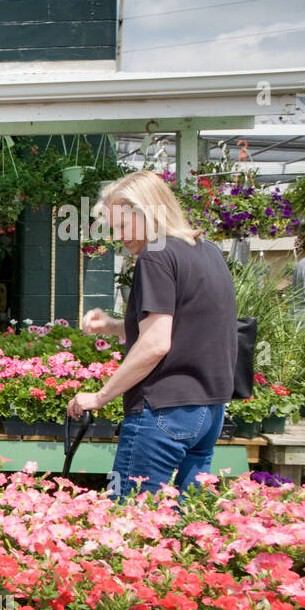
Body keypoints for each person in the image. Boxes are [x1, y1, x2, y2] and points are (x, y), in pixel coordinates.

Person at [66, 170, 237, 500]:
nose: (119, 236)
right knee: (189, 526)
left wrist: (100, 397)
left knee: (132, 523)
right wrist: (116, 325)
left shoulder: (156, 254)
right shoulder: (208, 251)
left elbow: (157, 343)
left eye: (122, 225)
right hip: (209, 412)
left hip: (163, 410)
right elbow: (188, 324)